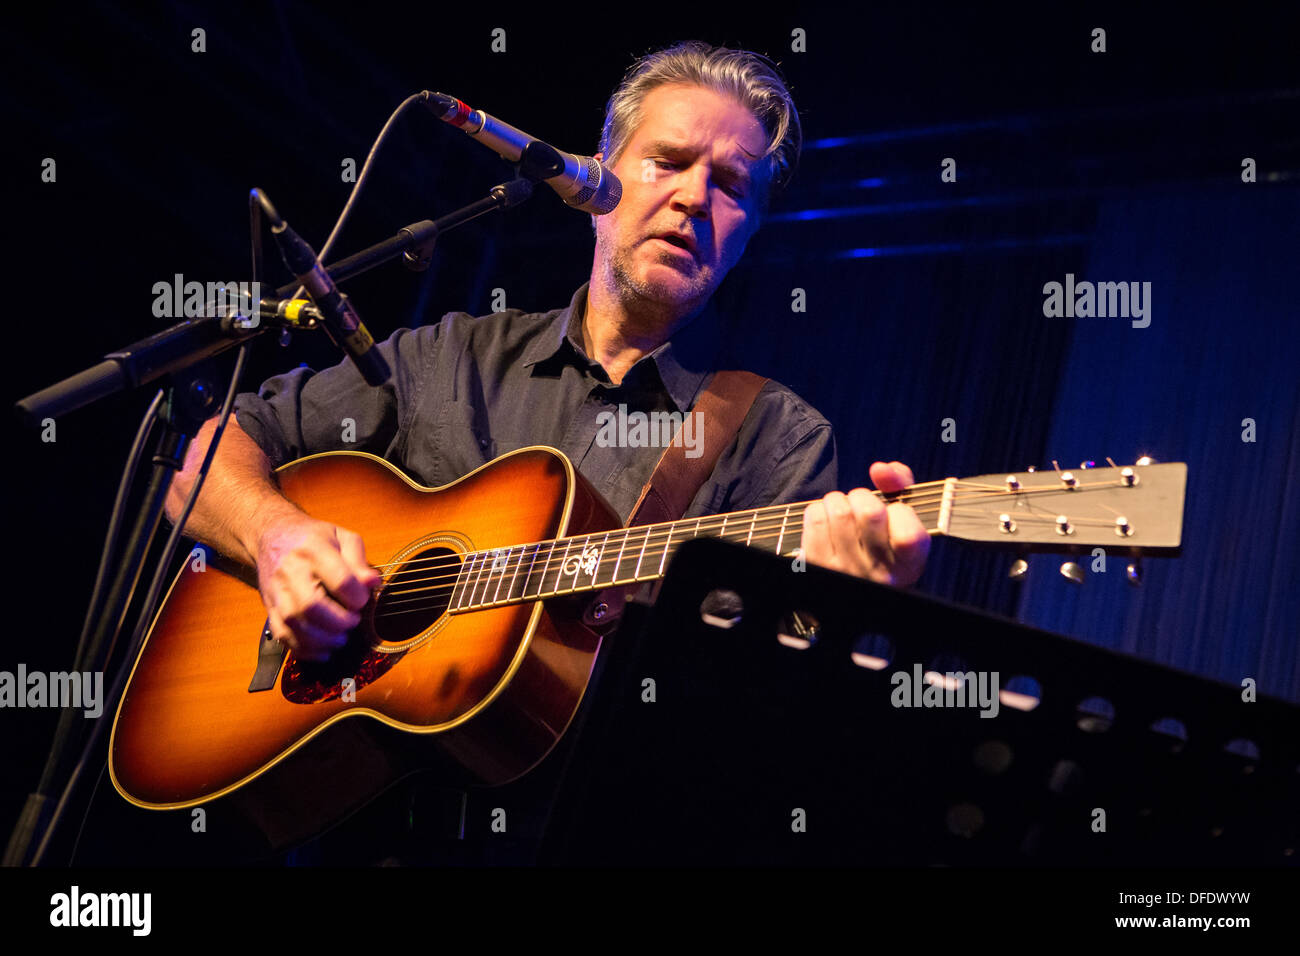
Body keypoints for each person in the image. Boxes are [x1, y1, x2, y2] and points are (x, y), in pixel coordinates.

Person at [164, 41, 930, 665]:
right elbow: (205, 455)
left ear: (751, 230)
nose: (696, 197)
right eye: (667, 161)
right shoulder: (449, 355)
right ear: (598, 180)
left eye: (731, 184)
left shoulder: (779, 440)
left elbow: (756, 722)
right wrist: (277, 538)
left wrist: (843, 602)